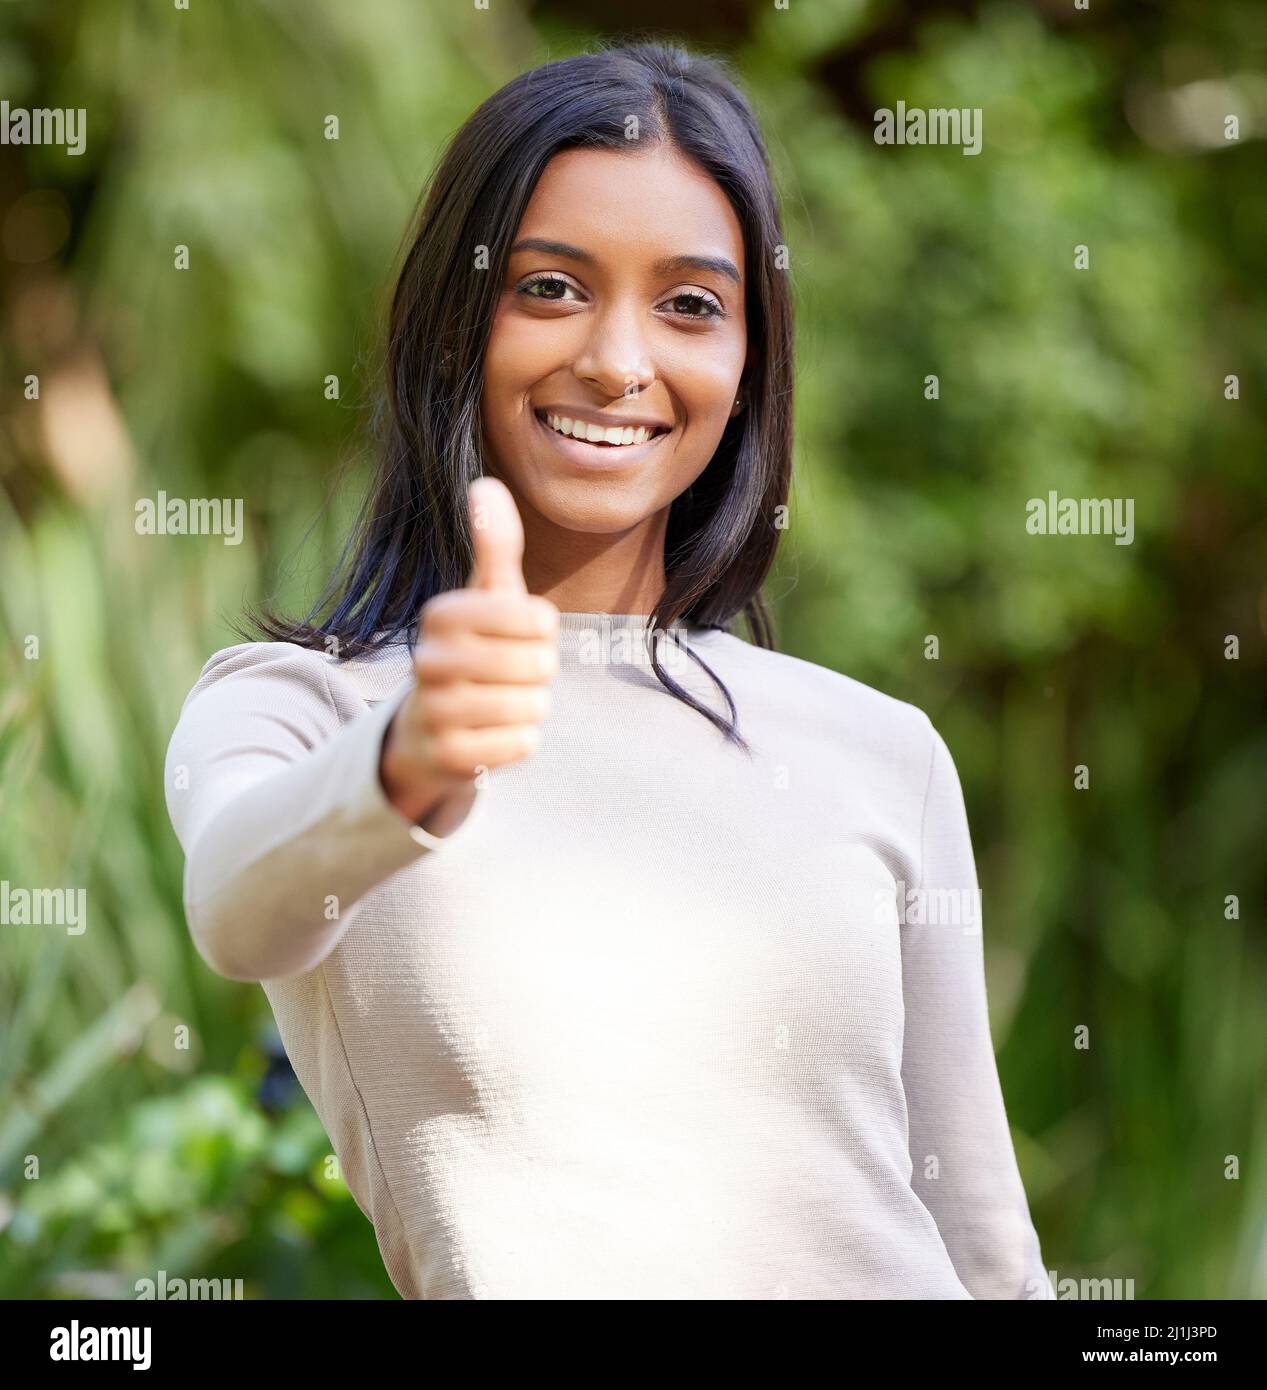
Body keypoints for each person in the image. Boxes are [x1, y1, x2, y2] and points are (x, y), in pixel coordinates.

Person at [164, 40, 1053, 1300]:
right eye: (551, 288)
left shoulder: (883, 750)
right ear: (455, 321)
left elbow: (982, 1243)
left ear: (747, 368)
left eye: (691, 304)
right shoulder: (298, 706)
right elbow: (236, 905)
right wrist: (410, 761)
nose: (619, 361)